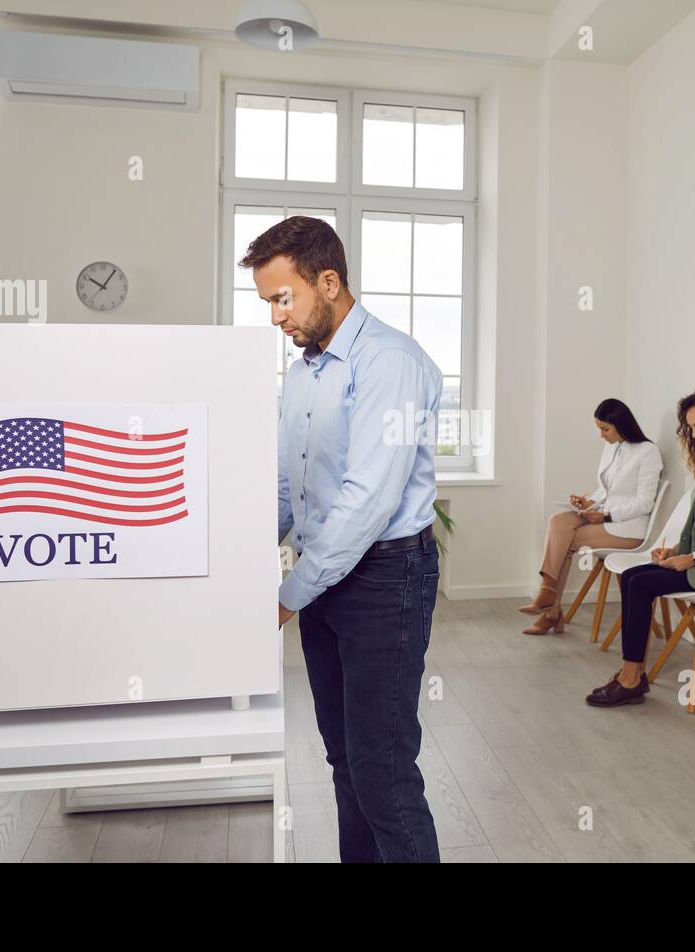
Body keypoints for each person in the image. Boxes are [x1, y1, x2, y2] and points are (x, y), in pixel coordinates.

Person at [243, 216, 443, 862]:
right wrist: (241, 563)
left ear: (328, 281)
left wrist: (287, 596)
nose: (275, 317)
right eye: (267, 302)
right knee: (344, 763)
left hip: (386, 580)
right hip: (327, 577)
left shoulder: (392, 362)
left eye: (282, 298)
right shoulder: (304, 372)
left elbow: (368, 502)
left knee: (383, 773)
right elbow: (286, 484)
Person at [587, 388, 695, 706]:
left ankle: (630, 679)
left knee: (640, 584)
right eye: (691, 428)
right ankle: (633, 673)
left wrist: (693, 559)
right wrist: (674, 551)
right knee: (630, 577)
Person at [520, 398, 661, 634]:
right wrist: (588, 502)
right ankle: (548, 597)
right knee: (558, 521)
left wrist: (606, 516)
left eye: (605, 429)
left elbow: (644, 503)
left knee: (564, 541)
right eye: (599, 429)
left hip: (627, 530)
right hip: (603, 515)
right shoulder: (612, 447)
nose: (601, 435)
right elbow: (607, 490)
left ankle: (550, 608)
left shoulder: (648, 452)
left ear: (621, 424)